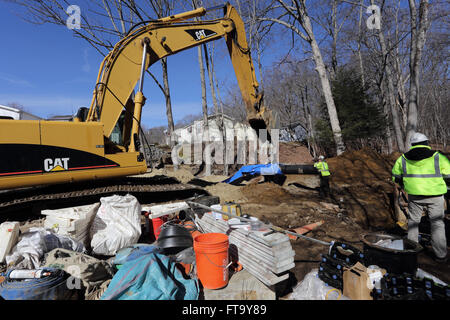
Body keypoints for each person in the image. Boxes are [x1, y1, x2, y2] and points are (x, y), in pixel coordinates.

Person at [392, 132, 450, 263]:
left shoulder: (403, 158)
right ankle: (440, 255)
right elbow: (449, 175)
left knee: (413, 222)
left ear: (413, 144)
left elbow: (396, 176)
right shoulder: (438, 157)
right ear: (426, 143)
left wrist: (403, 185)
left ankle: (411, 251)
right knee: (437, 224)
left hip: (415, 196)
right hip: (435, 196)